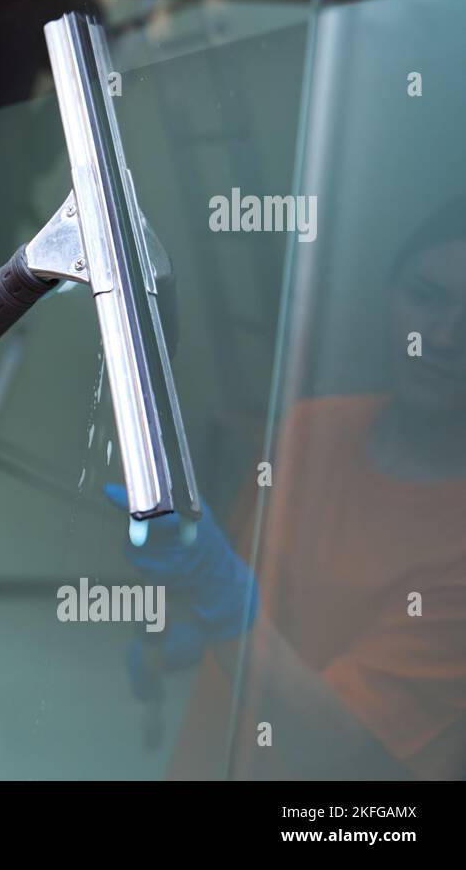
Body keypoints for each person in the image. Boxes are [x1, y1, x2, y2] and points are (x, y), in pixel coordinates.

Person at [107, 199, 466, 779]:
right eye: (425, 297)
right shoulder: (311, 430)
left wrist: (218, 599)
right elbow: (261, 603)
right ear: (388, 296)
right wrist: (198, 631)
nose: (446, 337)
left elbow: (336, 740)